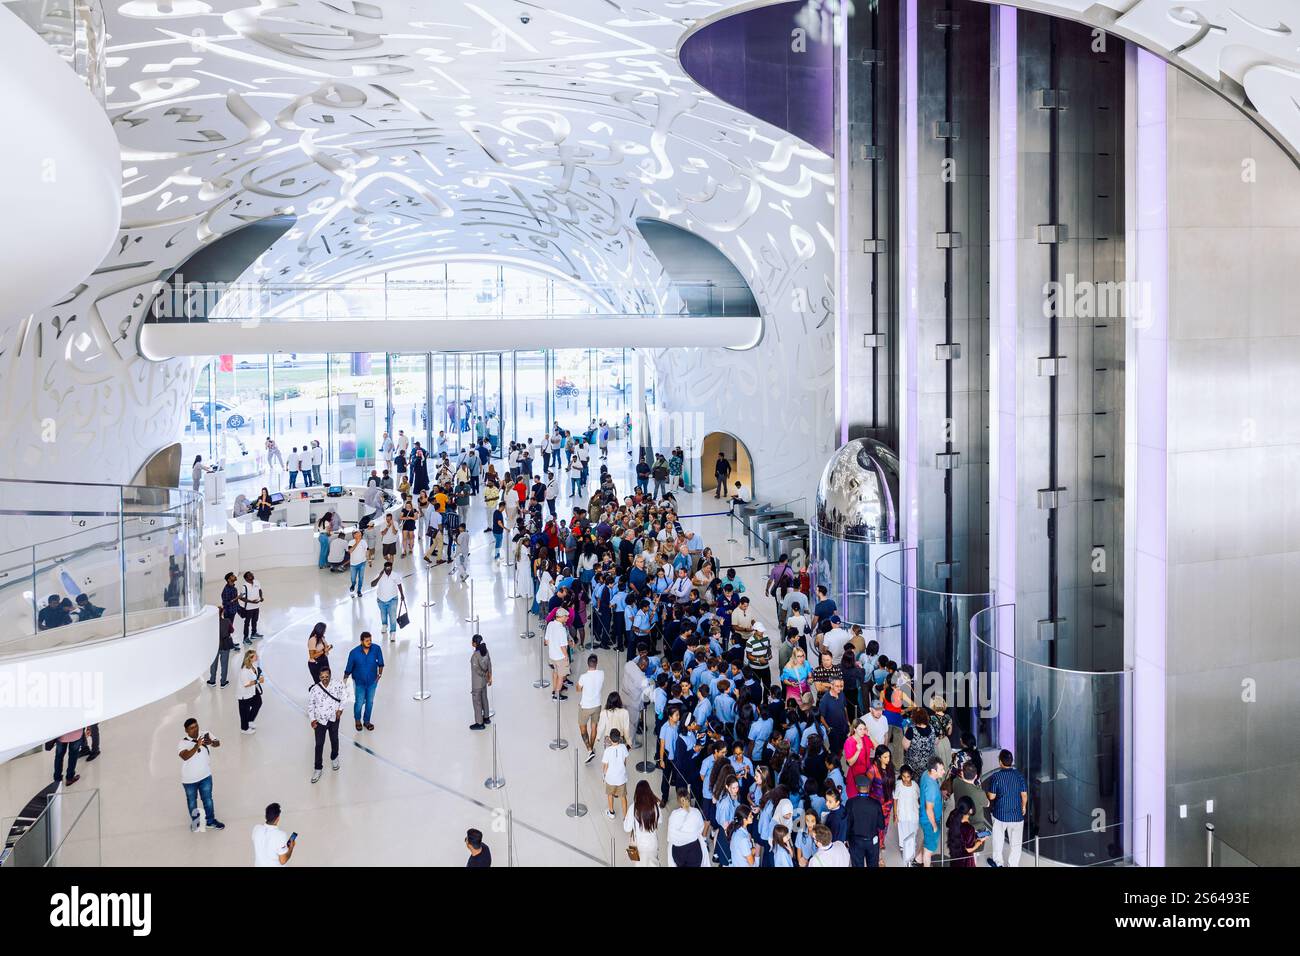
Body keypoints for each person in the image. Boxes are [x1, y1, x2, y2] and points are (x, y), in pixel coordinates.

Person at [178, 717, 224, 831]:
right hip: (189, 780)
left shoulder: (205, 734)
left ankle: (210, 821)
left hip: (205, 776)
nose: (195, 729)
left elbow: (218, 743)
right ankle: (196, 823)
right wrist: (196, 745)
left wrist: (212, 742)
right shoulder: (182, 742)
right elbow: (185, 756)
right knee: (192, 802)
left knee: (208, 799)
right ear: (186, 730)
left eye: (196, 726)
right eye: (191, 728)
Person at [985, 749, 1028, 867]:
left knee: (998, 841)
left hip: (1000, 814)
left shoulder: (996, 776)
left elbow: (992, 797)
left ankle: (998, 863)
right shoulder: (1019, 775)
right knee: (1016, 844)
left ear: (1000, 762)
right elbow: (1024, 795)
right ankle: (1013, 864)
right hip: (1017, 815)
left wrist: (987, 794)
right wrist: (1023, 806)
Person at [307, 667, 342, 784]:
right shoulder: (315, 689)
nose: (325, 679)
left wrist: (340, 710)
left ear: (330, 675)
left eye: (327, 676)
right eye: (322, 677)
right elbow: (311, 705)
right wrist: (312, 719)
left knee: (334, 740)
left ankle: (334, 757)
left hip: (333, 719)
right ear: (319, 677)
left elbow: (344, 697)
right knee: (319, 745)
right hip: (320, 722)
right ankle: (318, 768)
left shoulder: (337, 685)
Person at [344, 631, 384, 732]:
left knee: (370, 702)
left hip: (372, 682)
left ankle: (367, 721)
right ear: (361, 641)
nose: (369, 642)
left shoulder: (376, 649)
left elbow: (381, 663)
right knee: (359, 702)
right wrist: (344, 680)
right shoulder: (354, 653)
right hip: (359, 683)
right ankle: (357, 720)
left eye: (370, 640)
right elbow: (348, 668)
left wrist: (379, 675)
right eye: (367, 641)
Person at [207, 574, 239, 686]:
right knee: (224, 664)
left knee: (213, 663)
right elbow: (232, 631)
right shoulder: (227, 622)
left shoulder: (210, 625)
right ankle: (223, 682)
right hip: (225, 645)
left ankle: (212, 681)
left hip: (215, 645)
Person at [666, 786, 706, 867]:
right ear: (689, 798)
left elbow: (670, 834)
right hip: (693, 851)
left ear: (678, 801)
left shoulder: (674, 814)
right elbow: (701, 828)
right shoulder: (696, 812)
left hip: (678, 852)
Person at [624, 780, 661, 866]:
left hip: (638, 845)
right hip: (653, 843)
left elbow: (627, 828)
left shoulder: (633, 807)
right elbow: (659, 820)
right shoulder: (655, 806)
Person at [576, 653, 605, 762]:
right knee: (594, 728)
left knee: (582, 728)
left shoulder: (583, 677)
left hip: (585, 706)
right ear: (596, 664)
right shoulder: (601, 674)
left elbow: (578, 689)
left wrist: (584, 689)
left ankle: (589, 750)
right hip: (597, 705)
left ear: (588, 664)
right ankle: (591, 748)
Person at [917, 756, 945, 867]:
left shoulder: (926, 774)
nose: (943, 771)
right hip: (929, 821)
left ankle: (918, 859)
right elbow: (929, 810)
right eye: (941, 770)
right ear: (933, 771)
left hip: (925, 817)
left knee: (927, 841)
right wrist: (934, 826)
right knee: (929, 850)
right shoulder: (931, 788)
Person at [370, 561, 405, 641]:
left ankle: (393, 633)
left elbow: (399, 584)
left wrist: (402, 595)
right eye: (386, 569)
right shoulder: (380, 574)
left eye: (390, 568)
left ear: (392, 568)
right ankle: (384, 625)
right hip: (381, 600)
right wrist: (379, 576)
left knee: (392, 616)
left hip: (393, 599)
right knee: (383, 614)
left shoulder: (395, 575)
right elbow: (372, 584)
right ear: (384, 568)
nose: (388, 570)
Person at [253, 803, 296, 867]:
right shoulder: (281, 835)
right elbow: (283, 860)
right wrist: (291, 848)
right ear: (278, 818)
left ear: (266, 816)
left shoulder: (256, 829)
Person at [947, 795, 986, 867]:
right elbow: (969, 850)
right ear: (970, 810)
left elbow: (948, 825)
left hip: (954, 856)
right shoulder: (969, 828)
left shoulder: (953, 815)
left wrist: (975, 835)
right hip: (965, 862)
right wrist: (979, 842)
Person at [545, 606, 573, 701]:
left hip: (552, 655)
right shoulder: (561, 629)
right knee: (561, 676)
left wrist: (553, 647)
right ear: (561, 617)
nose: (567, 618)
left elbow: (546, 641)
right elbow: (563, 646)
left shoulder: (550, 624)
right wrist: (566, 657)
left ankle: (554, 690)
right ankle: (556, 695)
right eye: (566, 616)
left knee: (555, 673)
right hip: (560, 657)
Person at [602, 728, 630, 820]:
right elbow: (625, 760)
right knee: (623, 797)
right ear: (619, 738)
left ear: (610, 738)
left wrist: (604, 775)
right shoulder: (623, 747)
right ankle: (625, 817)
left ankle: (611, 812)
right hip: (621, 778)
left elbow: (605, 766)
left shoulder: (607, 751)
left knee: (610, 794)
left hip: (610, 778)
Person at [895, 763, 920, 864]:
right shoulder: (898, 785)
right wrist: (895, 815)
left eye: (908, 777)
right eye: (903, 776)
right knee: (903, 832)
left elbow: (918, 798)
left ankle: (911, 852)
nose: (905, 779)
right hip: (902, 814)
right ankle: (903, 850)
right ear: (901, 775)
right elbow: (895, 799)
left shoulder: (915, 785)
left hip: (913, 814)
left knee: (913, 831)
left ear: (911, 776)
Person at [237, 649, 263, 734]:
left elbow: (258, 670)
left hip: (252, 690)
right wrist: (258, 681)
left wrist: (260, 676)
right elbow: (246, 684)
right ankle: (244, 729)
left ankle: (250, 720)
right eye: (255, 656)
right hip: (244, 694)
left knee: (258, 702)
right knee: (245, 711)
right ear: (250, 658)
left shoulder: (253, 664)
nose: (257, 657)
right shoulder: (244, 670)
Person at [469, 634, 492, 730]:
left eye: (472, 642)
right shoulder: (486, 651)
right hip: (484, 682)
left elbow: (477, 669)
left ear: (474, 643)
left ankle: (479, 723)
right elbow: (489, 664)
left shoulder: (475, 656)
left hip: (477, 683)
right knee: (484, 699)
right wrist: (489, 676)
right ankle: (486, 717)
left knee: (477, 702)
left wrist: (484, 674)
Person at [239, 571, 264, 643]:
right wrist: (251, 602)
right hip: (248, 608)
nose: (252, 575)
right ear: (246, 578)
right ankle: (245, 638)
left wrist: (261, 597)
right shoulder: (244, 586)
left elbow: (260, 590)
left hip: (257, 606)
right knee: (247, 623)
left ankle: (253, 633)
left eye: (252, 574)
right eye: (250, 575)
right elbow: (241, 598)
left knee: (255, 620)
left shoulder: (257, 582)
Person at [347, 529, 368, 596]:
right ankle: (353, 585)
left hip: (362, 563)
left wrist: (369, 559)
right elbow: (350, 551)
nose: (360, 534)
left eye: (360, 533)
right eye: (358, 533)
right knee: (353, 578)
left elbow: (367, 550)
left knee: (361, 578)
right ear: (354, 535)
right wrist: (357, 543)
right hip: (353, 564)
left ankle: (359, 591)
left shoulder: (364, 542)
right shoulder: (351, 542)